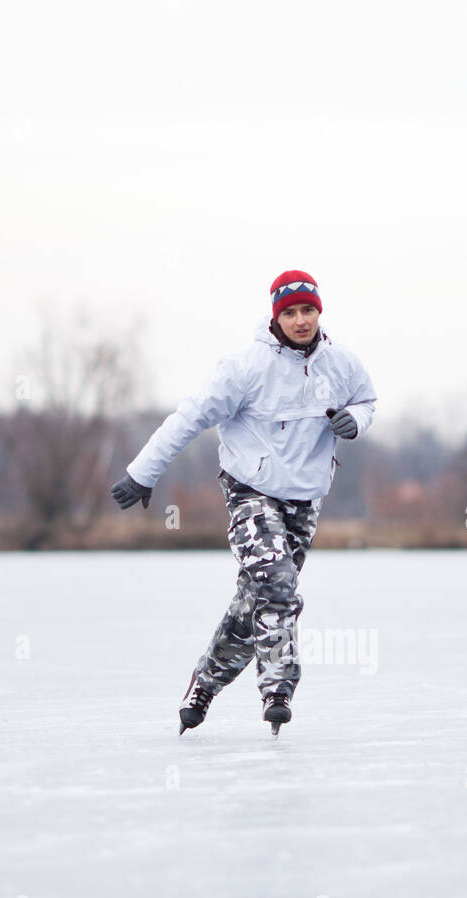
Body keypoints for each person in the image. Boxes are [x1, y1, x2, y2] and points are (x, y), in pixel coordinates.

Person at [111, 269, 377, 735]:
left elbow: (367, 400)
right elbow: (189, 417)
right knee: (277, 586)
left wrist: (355, 420)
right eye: (290, 312)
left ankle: (205, 684)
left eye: (308, 310)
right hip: (250, 491)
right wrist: (142, 472)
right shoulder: (244, 369)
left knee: (253, 601)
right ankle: (277, 687)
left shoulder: (342, 364)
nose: (300, 320)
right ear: (275, 316)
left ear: (319, 312)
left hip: (305, 498)